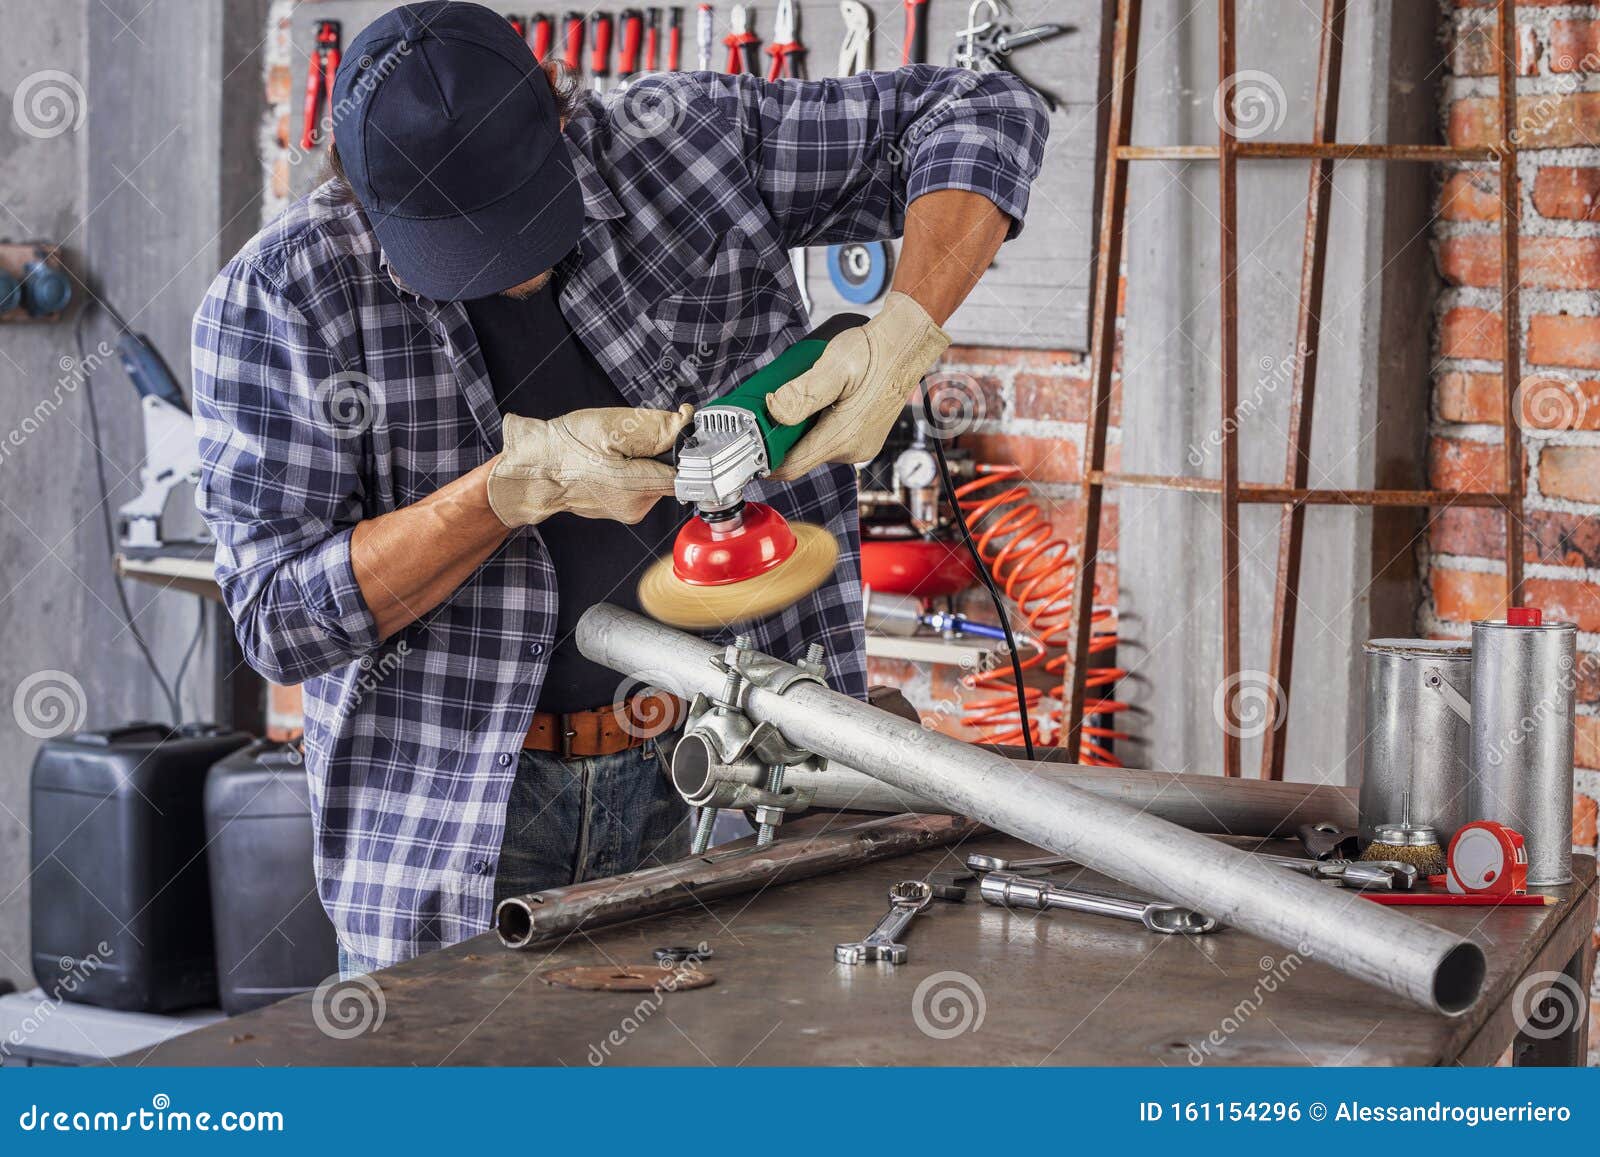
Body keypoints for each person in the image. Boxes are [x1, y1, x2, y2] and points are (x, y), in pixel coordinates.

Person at [192, 0, 1048, 972]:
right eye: (464, 249)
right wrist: (504, 493)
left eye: (526, 227)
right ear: (364, 201)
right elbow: (275, 619)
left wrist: (906, 326)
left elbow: (983, 111)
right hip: (460, 811)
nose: (510, 274)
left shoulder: (683, 147)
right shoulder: (281, 298)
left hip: (737, 763)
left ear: (563, 119)